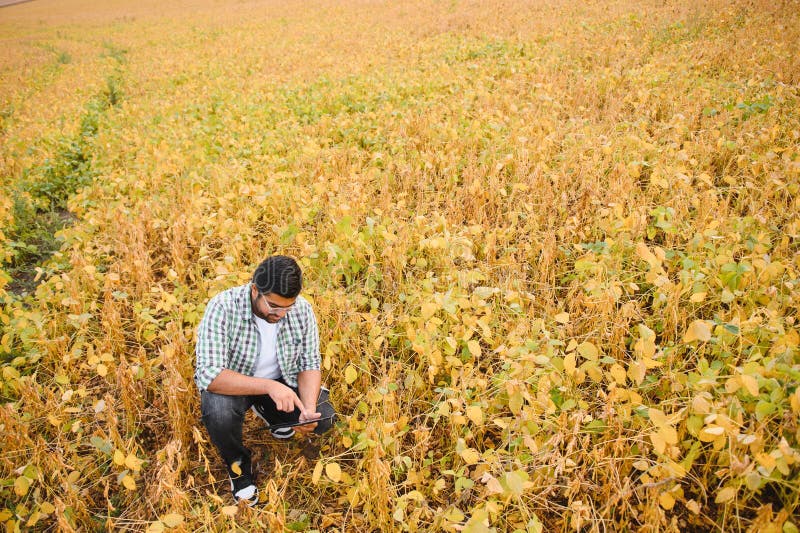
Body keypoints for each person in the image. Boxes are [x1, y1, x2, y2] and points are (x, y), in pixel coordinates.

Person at [194, 255, 335, 505]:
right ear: (255, 290)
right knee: (218, 412)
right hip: (235, 384)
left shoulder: (301, 310)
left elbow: (309, 364)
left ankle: (269, 411)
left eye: (286, 307)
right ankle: (238, 468)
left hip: (282, 378)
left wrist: (308, 410)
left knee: (324, 417)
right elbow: (209, 374)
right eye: (272, 306)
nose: (280, 314)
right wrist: (270, 386)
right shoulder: (223, 307)